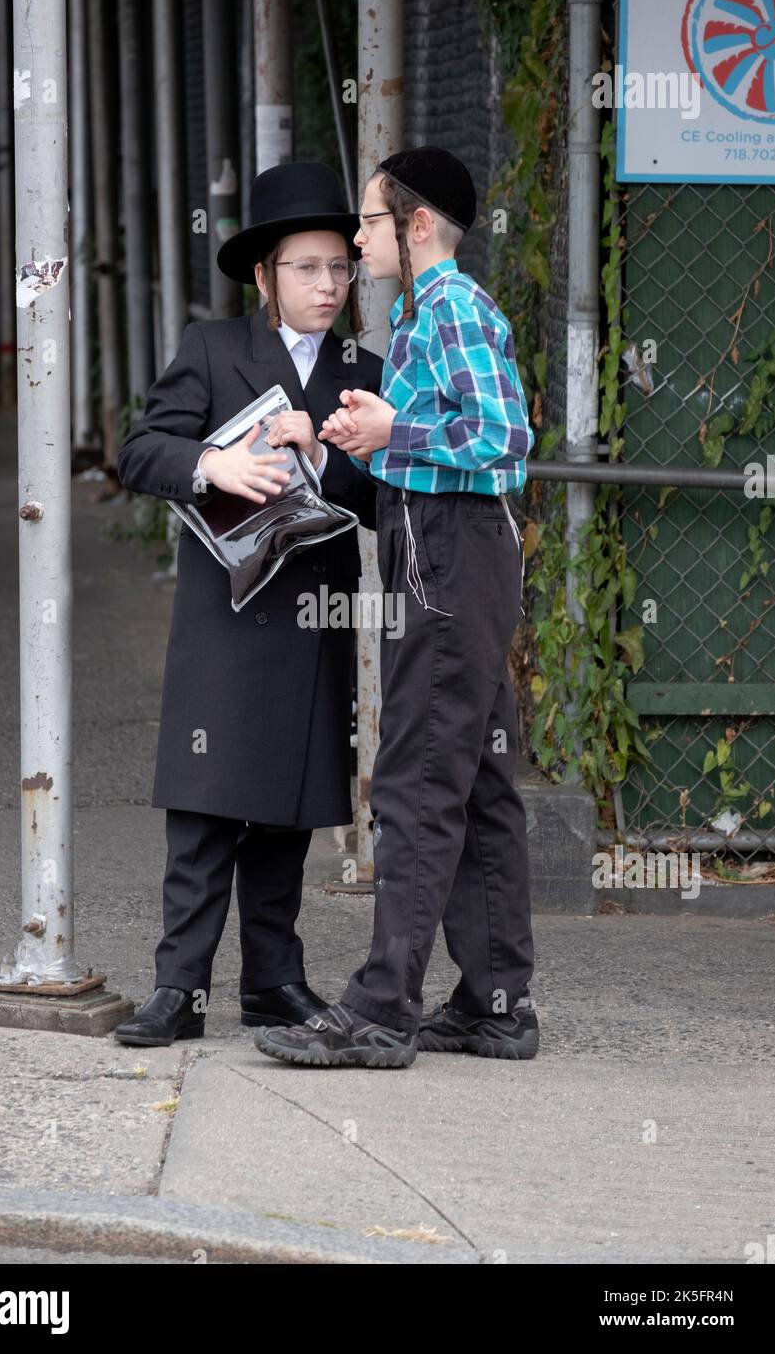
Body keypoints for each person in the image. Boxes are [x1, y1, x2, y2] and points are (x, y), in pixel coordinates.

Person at [253, 146, 539, 1068]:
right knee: (479, 782)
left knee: (415, 780)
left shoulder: (452, 305)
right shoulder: (425, 312)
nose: (357, 237)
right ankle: (496, 1005)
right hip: (450, 552)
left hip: (451, 558)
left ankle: (380, 1009)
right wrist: (354, 438)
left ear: (417, 226)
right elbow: (434, 446)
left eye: (370, 223)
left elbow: (505, 437)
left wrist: (392, 428)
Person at [113, 161, 381, 1047]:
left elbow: (387, 501)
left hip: (314, 624)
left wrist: (344, 455)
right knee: (204, 810)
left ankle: (274, 982)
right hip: (224, 623)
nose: (328, 284)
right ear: (264, 276)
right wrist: (210, 465)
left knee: (286, 812)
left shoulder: (365, 370)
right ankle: (177, 989)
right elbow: (140, 451)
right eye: (307, 267)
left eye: (340, 267)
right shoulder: (212, 349)